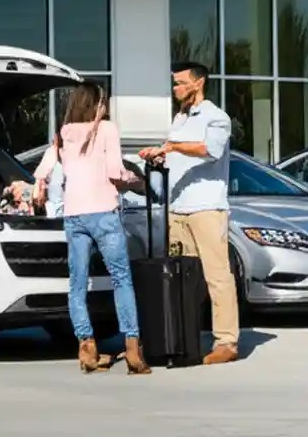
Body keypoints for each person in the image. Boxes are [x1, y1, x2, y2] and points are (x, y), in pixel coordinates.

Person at [35, 83, 150, 375]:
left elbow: (43, 170)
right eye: (105, 102)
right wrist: (134, 181)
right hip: (103, 214)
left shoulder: (65, 132)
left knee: (77, 284)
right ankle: (133, 349)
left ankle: (87, 348)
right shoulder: (107, 129)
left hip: (74, 216)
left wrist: (39, 189)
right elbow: (114, 172)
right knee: (121, 279)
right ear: (97, 104)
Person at [139, 61, 239, 365]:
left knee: (217, 276)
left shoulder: (216, 117)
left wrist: (171, 147)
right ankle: (184, 335)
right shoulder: (179, 119)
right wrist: (158, 157)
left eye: (180, 83)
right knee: (183, 277)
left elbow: (211, 150)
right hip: (178, 207)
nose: (175, 88)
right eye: (174, 83)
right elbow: (177, 156)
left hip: (206, 207)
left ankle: (227, 342)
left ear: (198, 83)